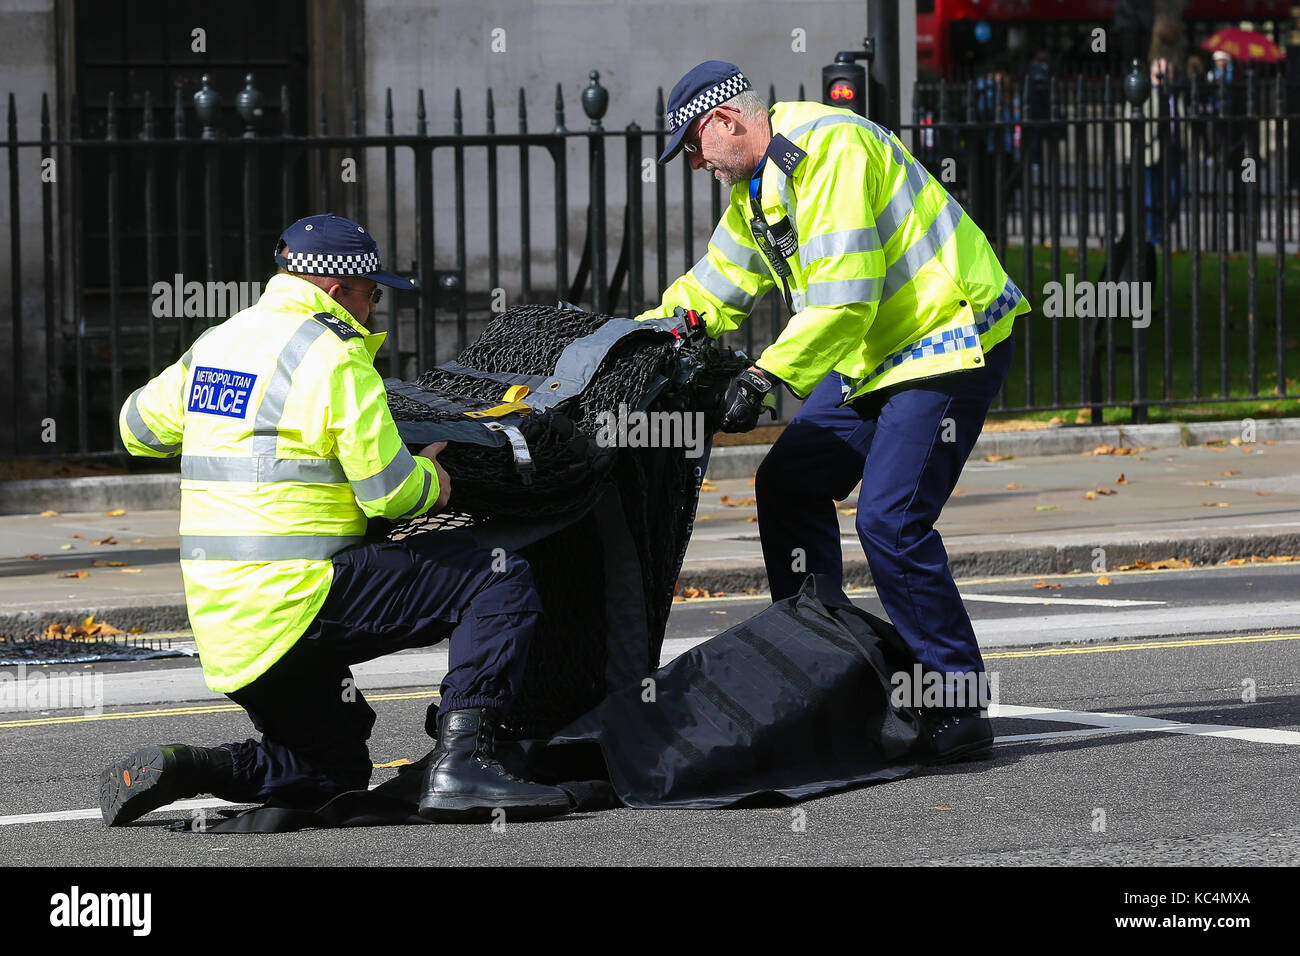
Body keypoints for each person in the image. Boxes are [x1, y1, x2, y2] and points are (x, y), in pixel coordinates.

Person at [102, 214, 570, 825]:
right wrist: (434, 477)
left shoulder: (221, 342)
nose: (374, 307)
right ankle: (464, 763)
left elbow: (135, 429)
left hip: (229, 626)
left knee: (328, 771)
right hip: (297, 598)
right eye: (373, 292)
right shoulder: (333, 355)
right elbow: (388, 493)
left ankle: (188, 767)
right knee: (496, 575)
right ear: (335, 290)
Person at [636, 62, 1031, 762]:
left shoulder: (829, 149)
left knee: (891, 520)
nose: (696, 163)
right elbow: (714, 286)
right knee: (787, 483)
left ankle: (957, 701)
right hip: (877, 351)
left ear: (726, 120)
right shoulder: (758, 190)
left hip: (944, 337)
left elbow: (847, 297)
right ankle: (825, 667)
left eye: (695, 146)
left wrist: (763, 376)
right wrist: (637, 343)